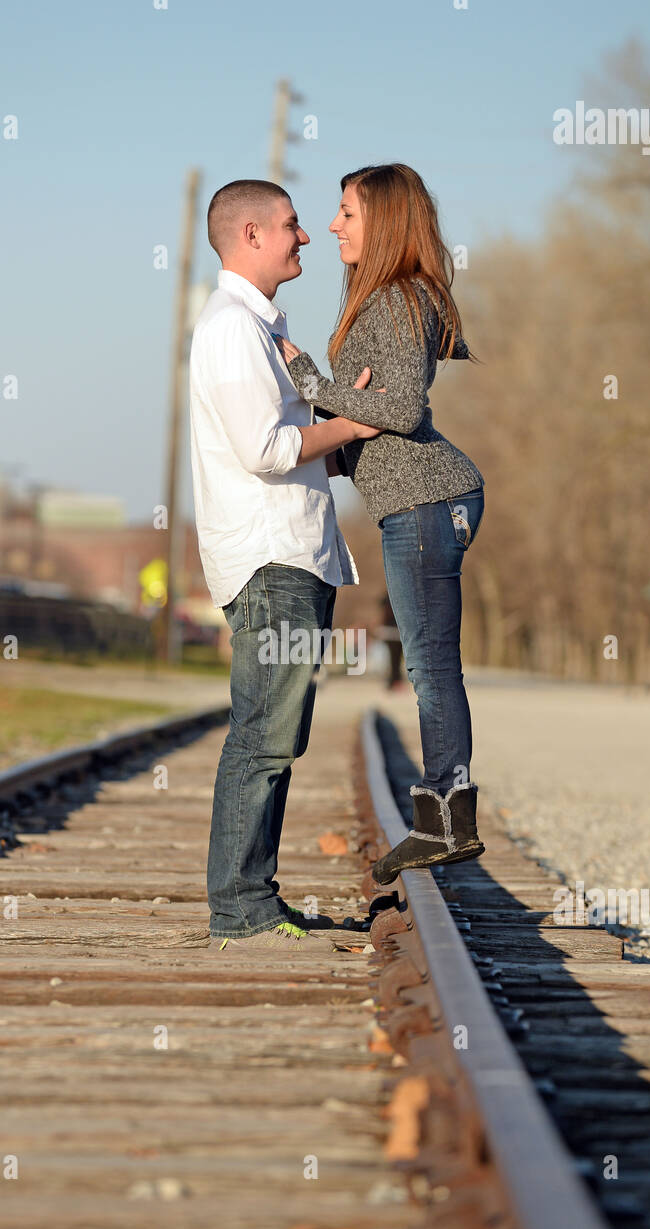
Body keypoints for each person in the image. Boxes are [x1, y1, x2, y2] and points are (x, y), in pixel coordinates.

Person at [276, 163, 487, 884]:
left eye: (345, 212)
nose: (332, 224)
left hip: (427, 502)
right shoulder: (390, 299)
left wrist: (306, 380)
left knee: (428, 665)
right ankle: (444, 818)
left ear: (384, 221)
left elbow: (397, 412)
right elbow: (369, 423)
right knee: (428, 663)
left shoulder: (396, 301)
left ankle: (446, 823)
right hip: (418, 499)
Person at [188, 179, 379, 950]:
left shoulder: (260, 330)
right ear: (252, 236)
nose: (306, 237)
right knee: (264, 735)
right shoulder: (233, 329)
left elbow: (290, 456)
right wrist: (346, 423)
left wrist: (337, 432)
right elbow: (266, 451)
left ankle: (253, 899)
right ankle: (239, 908)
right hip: (270, 559)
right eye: (294, 226)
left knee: (277, 735)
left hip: (292, 555)